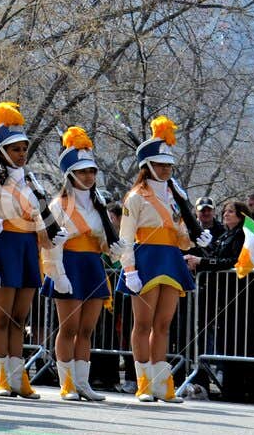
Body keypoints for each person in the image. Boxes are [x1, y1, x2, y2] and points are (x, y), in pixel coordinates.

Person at [119, 116, 211, 404]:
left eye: (169, 165)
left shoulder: (175, 197)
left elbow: (178, 234)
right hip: (145, 259)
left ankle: (161, 380)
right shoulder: (136, 197)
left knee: (163, 324)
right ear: (146, 167)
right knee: (143, 323)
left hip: (171, 258)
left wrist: (196, 238)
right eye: (160, 165)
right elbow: (125, 238)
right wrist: (130, 270)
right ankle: (143, 380)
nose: (165, 169)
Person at [0, 102, 63, 399]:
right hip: (4, 246)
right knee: (2, 315)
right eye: (16, 149)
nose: (21, 154)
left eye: (24, 149)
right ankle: (2, 374)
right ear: (2, 151)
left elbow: (38, 217)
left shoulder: (31, 181)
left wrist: (51, 234)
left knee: (20, 317)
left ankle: (19, 375)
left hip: (27, 247)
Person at [43, 127, 117, 401]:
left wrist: (114, 247)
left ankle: (83, 383)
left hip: (92, 265)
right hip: (69, 265)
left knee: (87, 329)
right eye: (83, 171)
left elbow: (103, 241)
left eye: (92, 171)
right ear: (71, 174)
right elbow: (50, 244)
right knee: (69, 327)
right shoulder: (58, 204)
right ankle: (67, 384)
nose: (89, 176)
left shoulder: (99, 205)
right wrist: (57, 274)